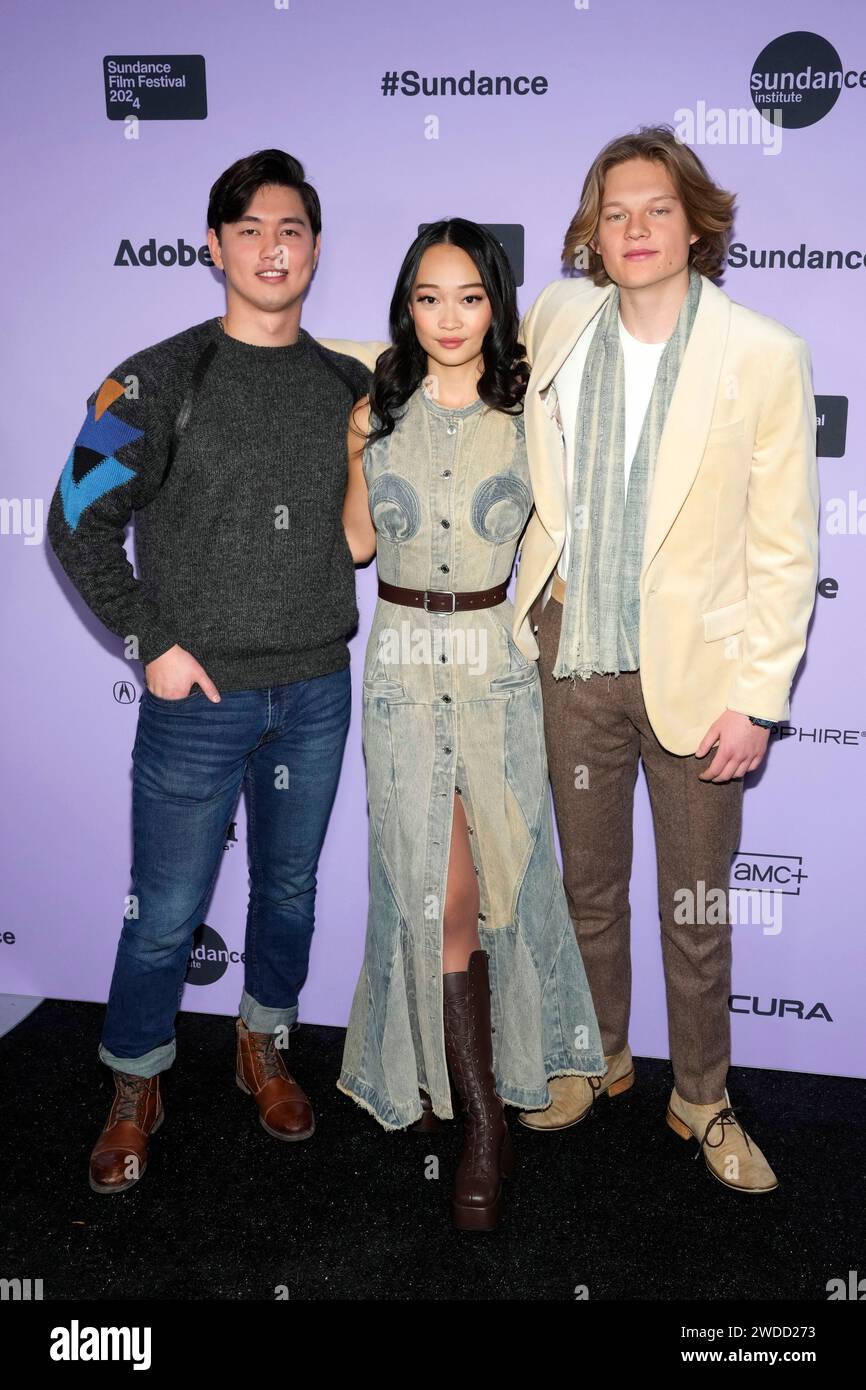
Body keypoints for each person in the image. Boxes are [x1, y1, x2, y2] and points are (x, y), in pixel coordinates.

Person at [47, 149, 372, 1193]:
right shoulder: (147, 378)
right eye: (248, 231)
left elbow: (374, 530)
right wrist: (155, 644)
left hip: (317, 690)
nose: (270, 248)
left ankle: (261, 1043)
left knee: (288, 892)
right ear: (213, 246)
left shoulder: (348, 386)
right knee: (165, 911)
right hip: (198, 702)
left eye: (290, 230)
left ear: (314, 248)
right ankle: (135, 1079)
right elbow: (72, 523)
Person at [509, 126, 819, 1192]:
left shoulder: (762, 353)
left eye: (654, 209)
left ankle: (702, 1098)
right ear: (589, 234)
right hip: (572, 654)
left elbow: (784, 547)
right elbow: (440, 360)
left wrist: (759, 700)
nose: (633, 228)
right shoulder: (556, 317)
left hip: (698, 678)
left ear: (695, 222)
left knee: (693, 907)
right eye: (612, 211)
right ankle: (595, 1059)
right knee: (586, 887)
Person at [332, 219, 605, 1232]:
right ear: (406, 307)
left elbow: (561, 537)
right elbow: (359, 544)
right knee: (436, 896)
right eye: (427, 298)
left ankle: (502, 1088)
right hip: (400, 671)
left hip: (492, 671)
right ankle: (483, 1124)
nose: (448, 319)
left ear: (496, 304)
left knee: (503, 883)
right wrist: (349, 452)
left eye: (469, 297)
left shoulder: (530, 414)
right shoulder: (375, 411)